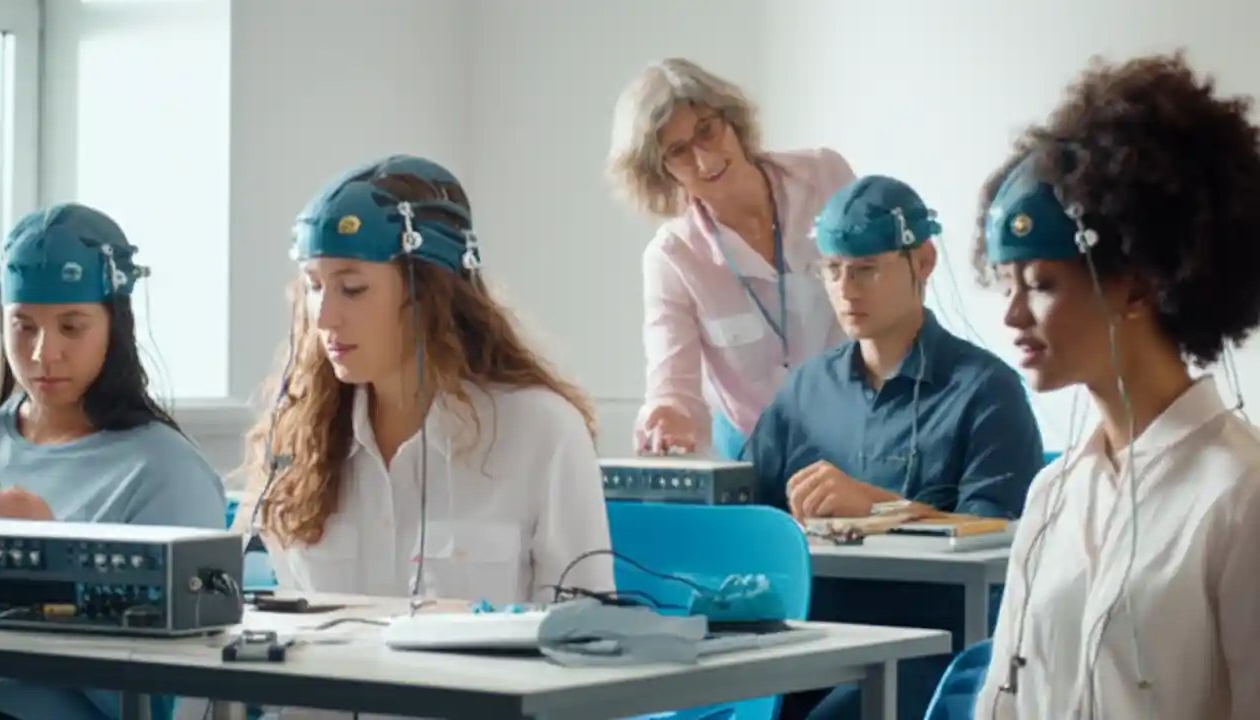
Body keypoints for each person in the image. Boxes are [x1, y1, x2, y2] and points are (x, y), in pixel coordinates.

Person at [973, 53, 1260, 720]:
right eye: (1007, 285)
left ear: (1136, 285)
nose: (1012, 314)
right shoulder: (1052, 495)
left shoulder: (1240, 497)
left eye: (1042, 285)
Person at [235, 154, 614, 610]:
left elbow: (583, 631)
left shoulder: (542, 433)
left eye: (352, 288)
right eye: (314, 286)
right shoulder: (292, 439)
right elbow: (246, 612)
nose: (325, 317)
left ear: (427, 294)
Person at [742, 176, 1043, 720]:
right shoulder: (806, 390)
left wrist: (879, 508)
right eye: (832, 271)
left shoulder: (985, 391)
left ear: (922, 262)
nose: (846, 290)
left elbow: (1000, 543)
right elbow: (746, 507)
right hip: (814, 640)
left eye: (866, 270)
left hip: (930, 648)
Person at [0, 203, 226, 720]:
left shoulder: (166, 473)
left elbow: (163, 697)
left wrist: (50, 569)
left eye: (71, 327)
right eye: (23, 327)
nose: (44, 354)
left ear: (115, 325)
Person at [607, 57, 855, 459]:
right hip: (757, 452)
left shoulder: (824, 176)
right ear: (660, 170)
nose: (704, 160)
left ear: (731, 120)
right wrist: (667, 416)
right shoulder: (673, 258)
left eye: (707, 131)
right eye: (678, 151)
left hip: (856, 434)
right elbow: (673, 386)